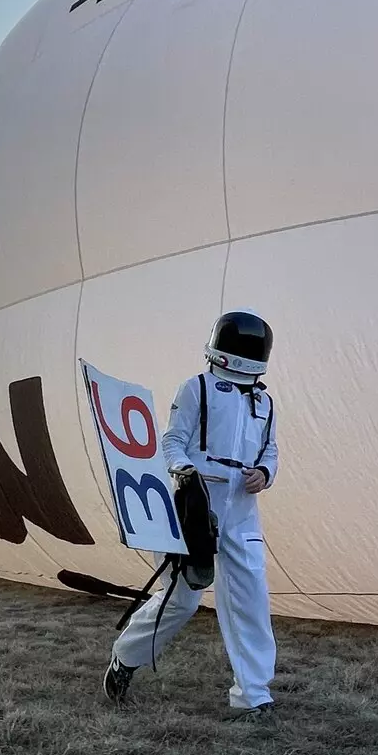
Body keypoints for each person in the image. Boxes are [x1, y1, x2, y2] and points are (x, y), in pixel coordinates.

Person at [104, 309, 280, 722]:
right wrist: (184, 472)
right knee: (181, 600)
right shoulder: (196, 387)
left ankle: (253, 695)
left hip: (242, 511)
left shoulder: (265, 401)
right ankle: (126, 659)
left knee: (250, 598)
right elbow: (173, 441)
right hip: (195, 506)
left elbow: (270, 450)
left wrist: (265, 473)